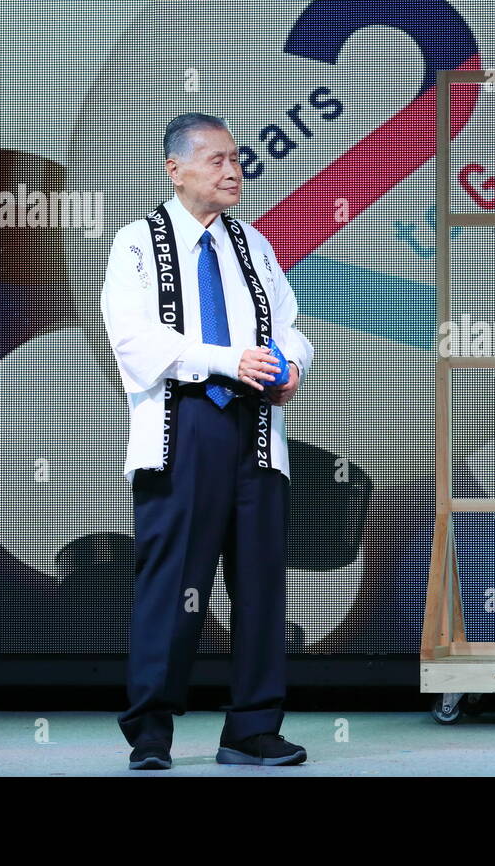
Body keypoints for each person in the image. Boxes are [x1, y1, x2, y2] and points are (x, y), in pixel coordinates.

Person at [100, 112, 314, 770]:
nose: (232, 171)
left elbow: (292, 325)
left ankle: (252, 728)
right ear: (176, 169)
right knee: (175, 584)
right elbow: (132, 336)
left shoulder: (253, 244)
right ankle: (152, 734)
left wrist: (293, 365)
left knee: (259, 583)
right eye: (216, 160)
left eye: (235, 159)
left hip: (251, 429)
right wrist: (227, 359)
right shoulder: (139, 241)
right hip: (183, 423)